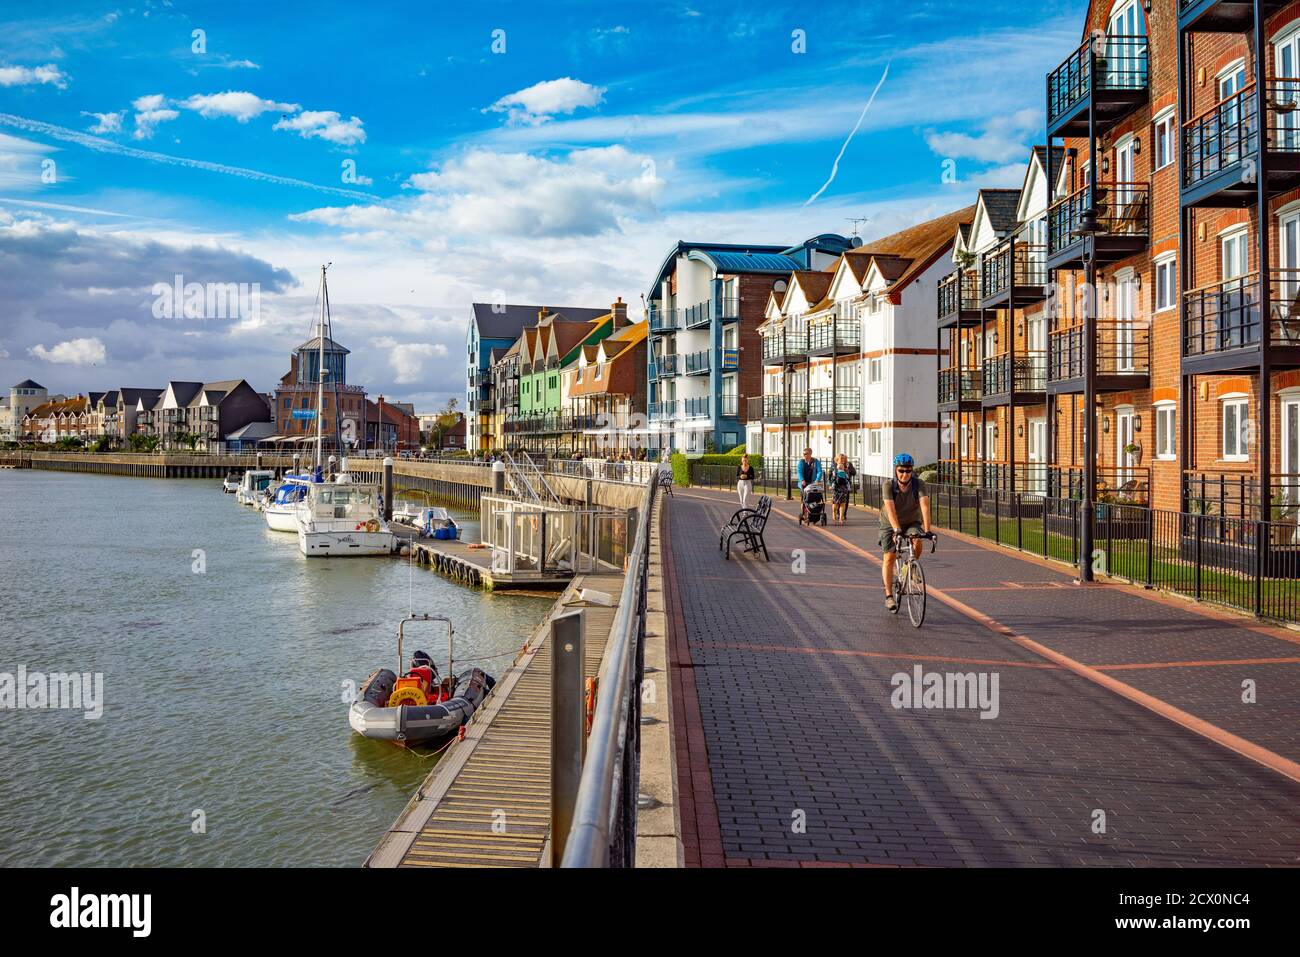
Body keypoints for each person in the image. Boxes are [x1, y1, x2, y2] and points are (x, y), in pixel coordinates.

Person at [880, 452, 933, 611]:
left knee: (917, 541)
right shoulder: (888, 485)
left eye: (908, 471)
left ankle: (907, 567)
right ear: (896, 471)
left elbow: (925, 505)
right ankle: (889, 595)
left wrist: (928, 530)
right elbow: (890, 510)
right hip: (889, 522)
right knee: (889, 557)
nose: (905, 474)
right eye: (901, 471)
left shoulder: (919, 484)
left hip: (911, 520)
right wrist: (896, 529)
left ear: (912, 470)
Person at [830, 453, 856, 524]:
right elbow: (830, 476)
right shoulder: (834, 466)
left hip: (844, 487)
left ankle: (842, 516)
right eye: (841, 458)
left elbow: (854, 472)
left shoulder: (848, 465)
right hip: (836, 487)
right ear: (837, 459)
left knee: (844, 502)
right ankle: (835, 513)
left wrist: (848, 471)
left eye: (844, 458)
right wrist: (830, 484)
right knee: (835, 503)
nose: (843, 460)